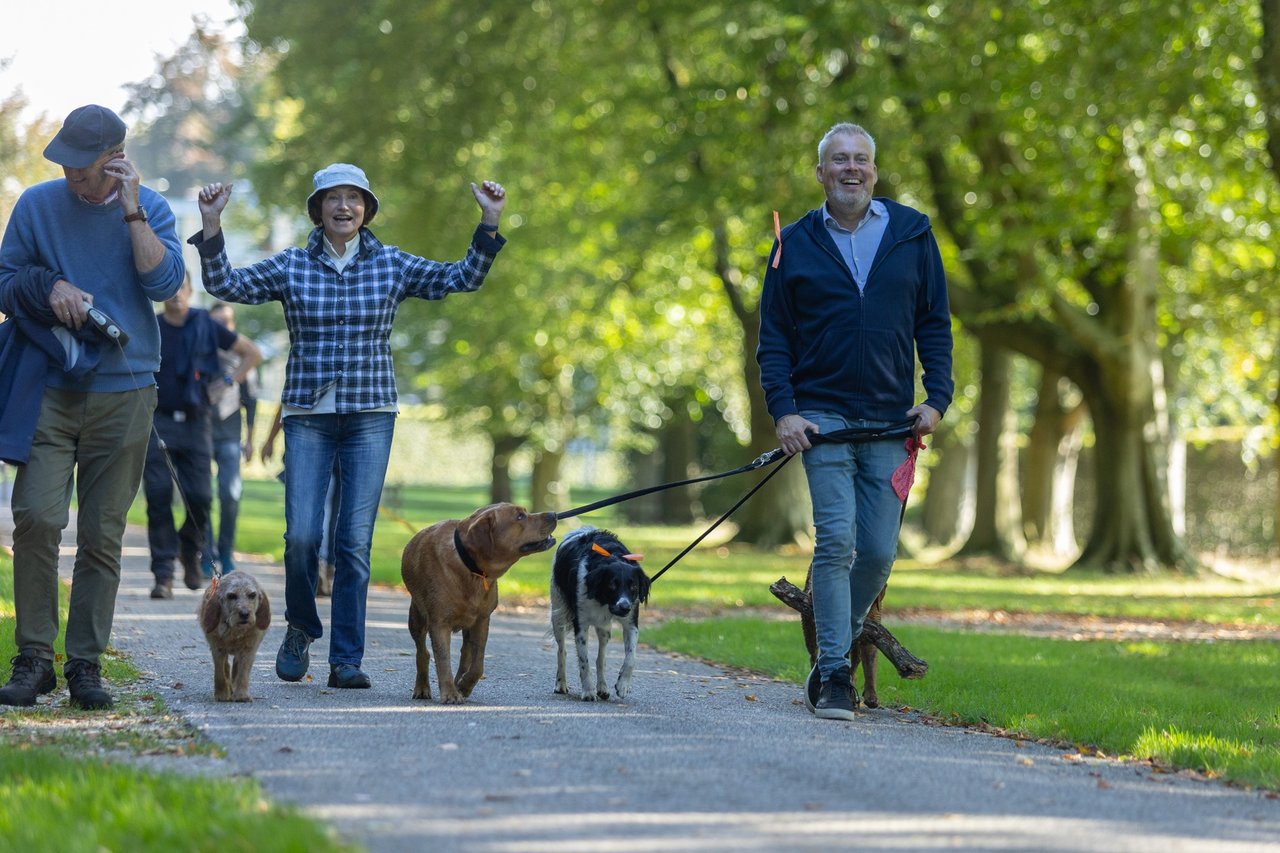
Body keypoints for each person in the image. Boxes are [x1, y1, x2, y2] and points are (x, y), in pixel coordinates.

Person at [191, 163, 508, 689]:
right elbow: (226, 282)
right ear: (318, 210)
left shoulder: (391, 264)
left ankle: (346, 659)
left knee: (353, 543)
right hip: (308, 417)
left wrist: (489, 222)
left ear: (366, 209)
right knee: (302, 539)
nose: (344, 206)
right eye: (333, 198)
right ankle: (300, 628)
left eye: (354, 199)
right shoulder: (293, 265)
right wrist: (211, 224)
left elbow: (462, 278)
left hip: (369, 415)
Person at [756, 122, 954, 721]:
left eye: (861, 160)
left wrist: (936, 399)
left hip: (893, 421)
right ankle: (837, 671)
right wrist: (784, 411)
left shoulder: (913, 233)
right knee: (837, 539)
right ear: (820, 173)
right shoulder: (792, 243)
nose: (851, 169)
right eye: (838, 160)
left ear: (874, 169)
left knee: (876, 550)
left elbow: (935, 325)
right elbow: (773, 340)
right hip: (822, 418)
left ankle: (830, 654)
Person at [0, 104, 185, 709]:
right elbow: (3, 280)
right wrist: (45, 285)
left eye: (84, 167)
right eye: (66, 165)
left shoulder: (151, 208)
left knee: (103, 534)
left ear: (116, 160)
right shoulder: (36, 205)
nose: (72, 177)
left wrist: (131, 209)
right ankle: (32, 658)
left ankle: (85, 665)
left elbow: (163, 286)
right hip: (48, 387)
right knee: (37, 518)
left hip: (124, 395)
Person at [143, 276, 261, 599]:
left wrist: (226, 381)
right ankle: (163, 574)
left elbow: (251, 353)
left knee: (200, 497)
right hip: (158, 421)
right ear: (161, 292)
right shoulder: (150, 325)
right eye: (169, 287)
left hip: (197, 423)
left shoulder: (205, 325)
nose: (176, 294)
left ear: (190, 292)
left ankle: (190, 550)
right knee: (158, 494)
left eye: (182, 287)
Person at [260, 403, 339, 596]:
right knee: (324, 509)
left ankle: (325, 566)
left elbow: (283, 405)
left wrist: (270, 441)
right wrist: (270, 440)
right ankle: (322, 565)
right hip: (310, 443)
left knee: (330, 510)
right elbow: (286, 402)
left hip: (338, 447)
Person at [208, 301, 260, 576]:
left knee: (230, 494)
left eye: (227, 322)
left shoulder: (243, 359)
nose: (222, 327)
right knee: (201, 496)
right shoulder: (199, 351)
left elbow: (251, 403)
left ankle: (226, 551)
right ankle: (206, 553)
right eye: (216, 322)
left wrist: (250, 440)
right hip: (200, 436)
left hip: (230, 437)